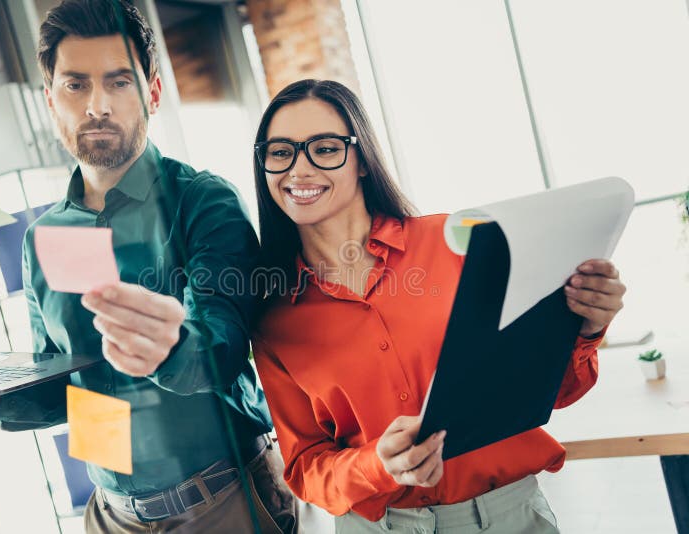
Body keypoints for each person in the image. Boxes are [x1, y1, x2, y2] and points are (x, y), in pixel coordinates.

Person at [0, 1, 298, 532]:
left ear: (152, 93)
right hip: (111, 516)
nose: (96, 105)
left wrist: (167, 346)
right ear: (50, 100)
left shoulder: (203, 202)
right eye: (76, 85)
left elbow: (222, 351)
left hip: (222, 503)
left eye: (119, 82)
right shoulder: (44, 237)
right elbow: (69, 387)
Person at [250, 79, 626, 534]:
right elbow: (305, 467)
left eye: (325, 148)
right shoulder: (273, 318)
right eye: (280, 152)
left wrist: (585, 329)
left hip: (507, 519)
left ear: (363, 159)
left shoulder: (458, 246)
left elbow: (555, 391)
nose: (299, 170)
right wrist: (377, 465)